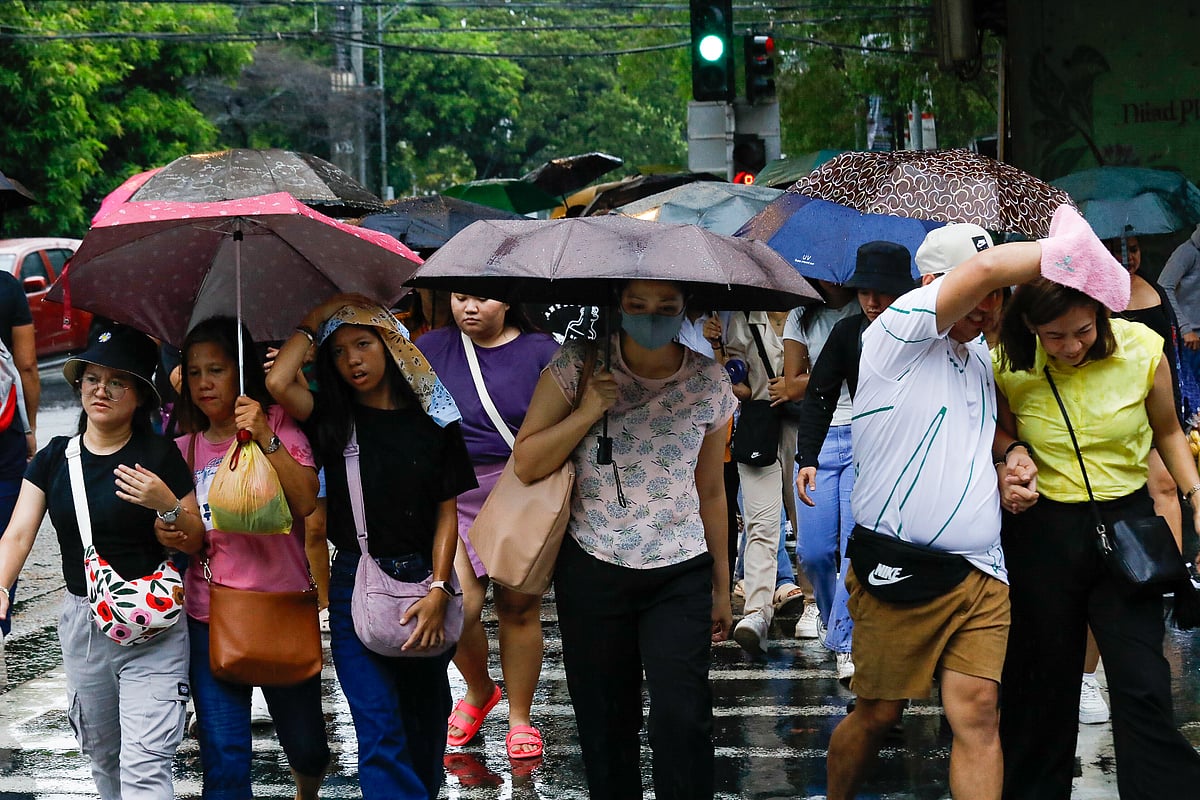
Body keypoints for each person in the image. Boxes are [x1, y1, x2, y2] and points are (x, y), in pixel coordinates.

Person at [824, 220, 1060, 800]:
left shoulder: (979, 354)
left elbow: (987, 430)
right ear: (932, 285)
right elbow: (983, 269)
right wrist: (1071, 247)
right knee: (877, 713)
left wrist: (1014, 457)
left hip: (982, 570)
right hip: (898, 567)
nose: (989, 309)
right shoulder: (893, 333)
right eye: (979, 296)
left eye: (998, 298)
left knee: (978, 714)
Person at [512, 278, 736, 799]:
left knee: (684, 718)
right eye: (638, 305)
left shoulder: (708, 379)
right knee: (606, 722)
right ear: (618, 305)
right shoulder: (579, 365)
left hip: (680, 569)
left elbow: (713, 492)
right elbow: (527, 461)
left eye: (666, 307)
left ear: (685, 309)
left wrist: (722, 586)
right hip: (593, 565)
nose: (651, 316)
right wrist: (589, 409)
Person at [994, 274, 1200, 797]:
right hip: (1042, 533)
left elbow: (1169, 429)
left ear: (1103, 313)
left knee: (1142, 682)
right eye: (1053, 336)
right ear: (1031, 328)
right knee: (1043, 685)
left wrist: (1196, 497)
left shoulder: (1141, 350)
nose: (1069, 346)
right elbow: (1000, 430)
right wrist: (1011, 454)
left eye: (1082, 331)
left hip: (1125, 528)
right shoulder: (1008, 362)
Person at [266, 295, 476, 800]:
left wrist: (441, 587)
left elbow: (447, 510)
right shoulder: (333, 419)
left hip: (426, 582)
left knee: (426, 722)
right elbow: (278, 382)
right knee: (378, 727)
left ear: (392, 344)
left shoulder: (434, 419)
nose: (353, 359)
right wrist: (318, 316)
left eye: (363, 343)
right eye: (339, 352)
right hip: (355, 584)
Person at [0, 327, 202, 799]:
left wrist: (166, 502)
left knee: (146, 766)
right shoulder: (53, 459)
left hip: (154, 625)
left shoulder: (159, 456)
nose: (101, 390)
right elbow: (18, 534)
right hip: (84, 625)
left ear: (140, 396)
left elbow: (195, 540)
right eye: (92, 378)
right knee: (105, 762)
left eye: (117, 381)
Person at [172, 316, 329, 800]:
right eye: (194, 372)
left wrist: (264, 433)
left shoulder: (280, 423)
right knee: (223, 754)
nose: (203, 383)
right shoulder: (185, 447)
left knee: (306, 748)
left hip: (280, 609)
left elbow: (305, 501)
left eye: (215, 370)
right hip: (211, 616)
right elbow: (183, 537)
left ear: (240, 372)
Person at [415, 294, 559, 759]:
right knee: (460, 606)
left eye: (483, 297)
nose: (469, 308)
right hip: (450, 489)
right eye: (460, 297)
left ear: (510, 299)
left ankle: (520, 717)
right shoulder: (432, 347)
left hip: (518, 484)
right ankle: (479, 689)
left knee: (518, 606)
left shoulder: (542, 350)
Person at [788, 239, 927, 682]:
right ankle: (835, 627)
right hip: (828, 443)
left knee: (852, 549)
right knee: (812, 552)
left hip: (877, 451)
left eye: (882, 292)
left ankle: (847, 641)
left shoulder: (920, 334)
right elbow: (819, 394)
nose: (871, 301)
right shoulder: (848, 333)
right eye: (864, 291)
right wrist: (806, 455)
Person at [719, 309, 804, 657]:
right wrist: (718, 355)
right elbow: (737, 386)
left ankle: (823, 608)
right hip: (759, 425)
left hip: (806, 428)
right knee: (760, 524)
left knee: (809, 527)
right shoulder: (743, 317)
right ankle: (756, 612)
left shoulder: (808, 315)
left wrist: (796, 386)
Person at [0, 269, 38, 647]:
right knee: (5, 537)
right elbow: (26, 366)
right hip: (4, 437)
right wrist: (30, 430)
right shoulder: (7, 287)